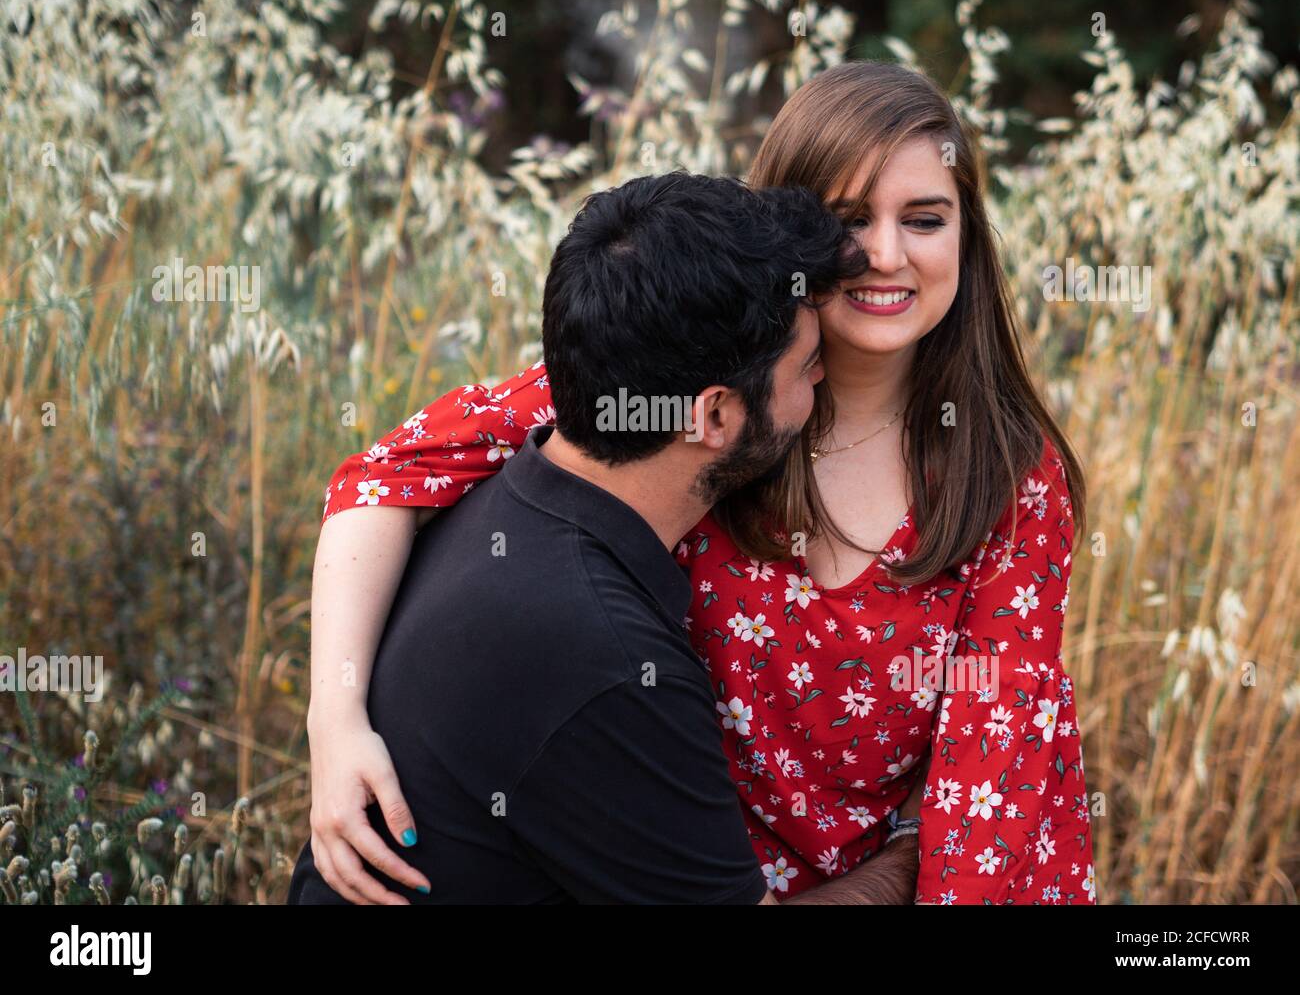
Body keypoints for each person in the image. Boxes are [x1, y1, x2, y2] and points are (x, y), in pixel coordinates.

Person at [307, 62, 1098, 905]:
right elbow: (390, 473)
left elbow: (989, 771)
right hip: (657, 870)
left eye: (925, 218)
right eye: (849, 219)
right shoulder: (697, 371)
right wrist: (336, 717)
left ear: (967, 236)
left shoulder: (1008, 476)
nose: (885, 254)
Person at [290, 171, 926, 903]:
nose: (823, 383)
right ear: (712, 417)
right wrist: (910, 847)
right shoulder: (609, 662)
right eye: (809, 367)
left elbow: (377, 474)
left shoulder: (496, 496)